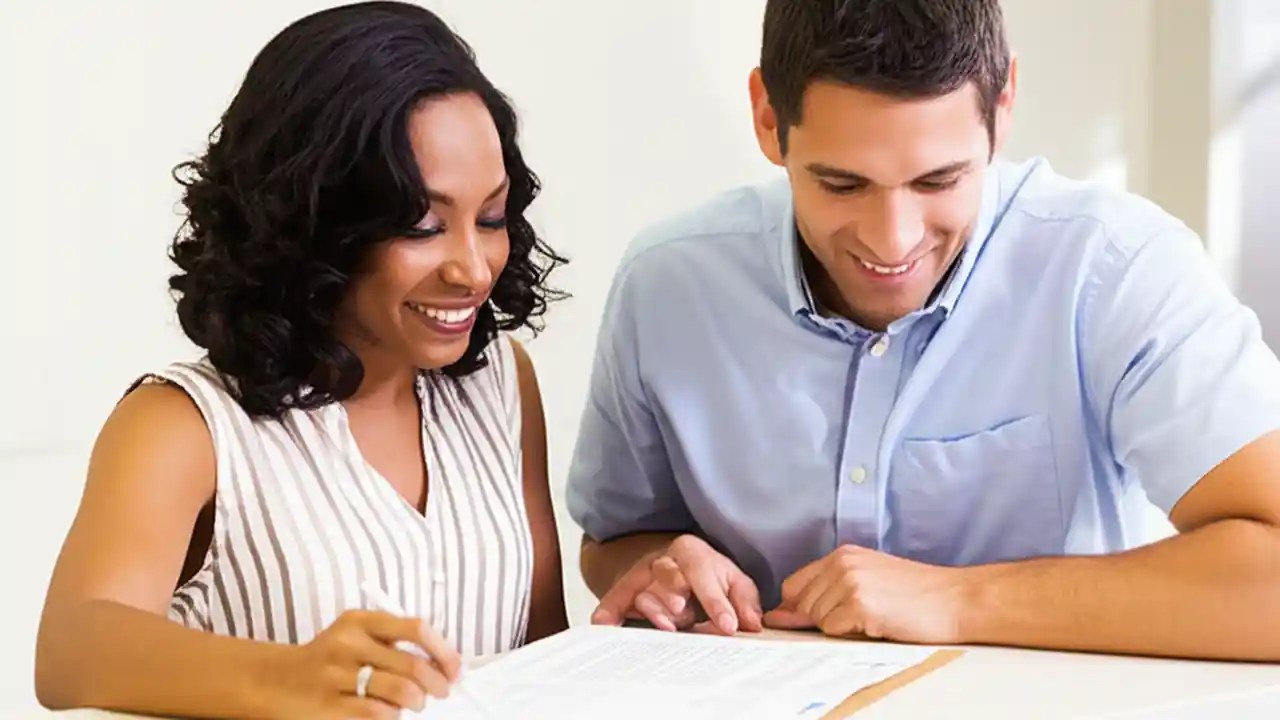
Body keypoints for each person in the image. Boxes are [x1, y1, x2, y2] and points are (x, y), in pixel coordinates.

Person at [568, 0, 1280, 661]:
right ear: (765, 118)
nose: (891, 240)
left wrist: (957, 599)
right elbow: (614, 539)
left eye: (939, 181)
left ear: (1003, 107)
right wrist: (660, 568)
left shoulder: (1115, 268)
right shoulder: (668, 284)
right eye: (842, 184)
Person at [35, 3, 568, 718]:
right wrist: (292, 677)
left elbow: (543, 656)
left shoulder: (500, 382)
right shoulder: (183, 425)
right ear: (312, 216)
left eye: (492, 217)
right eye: (423, 225)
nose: (473, 268)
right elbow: (71, 651)